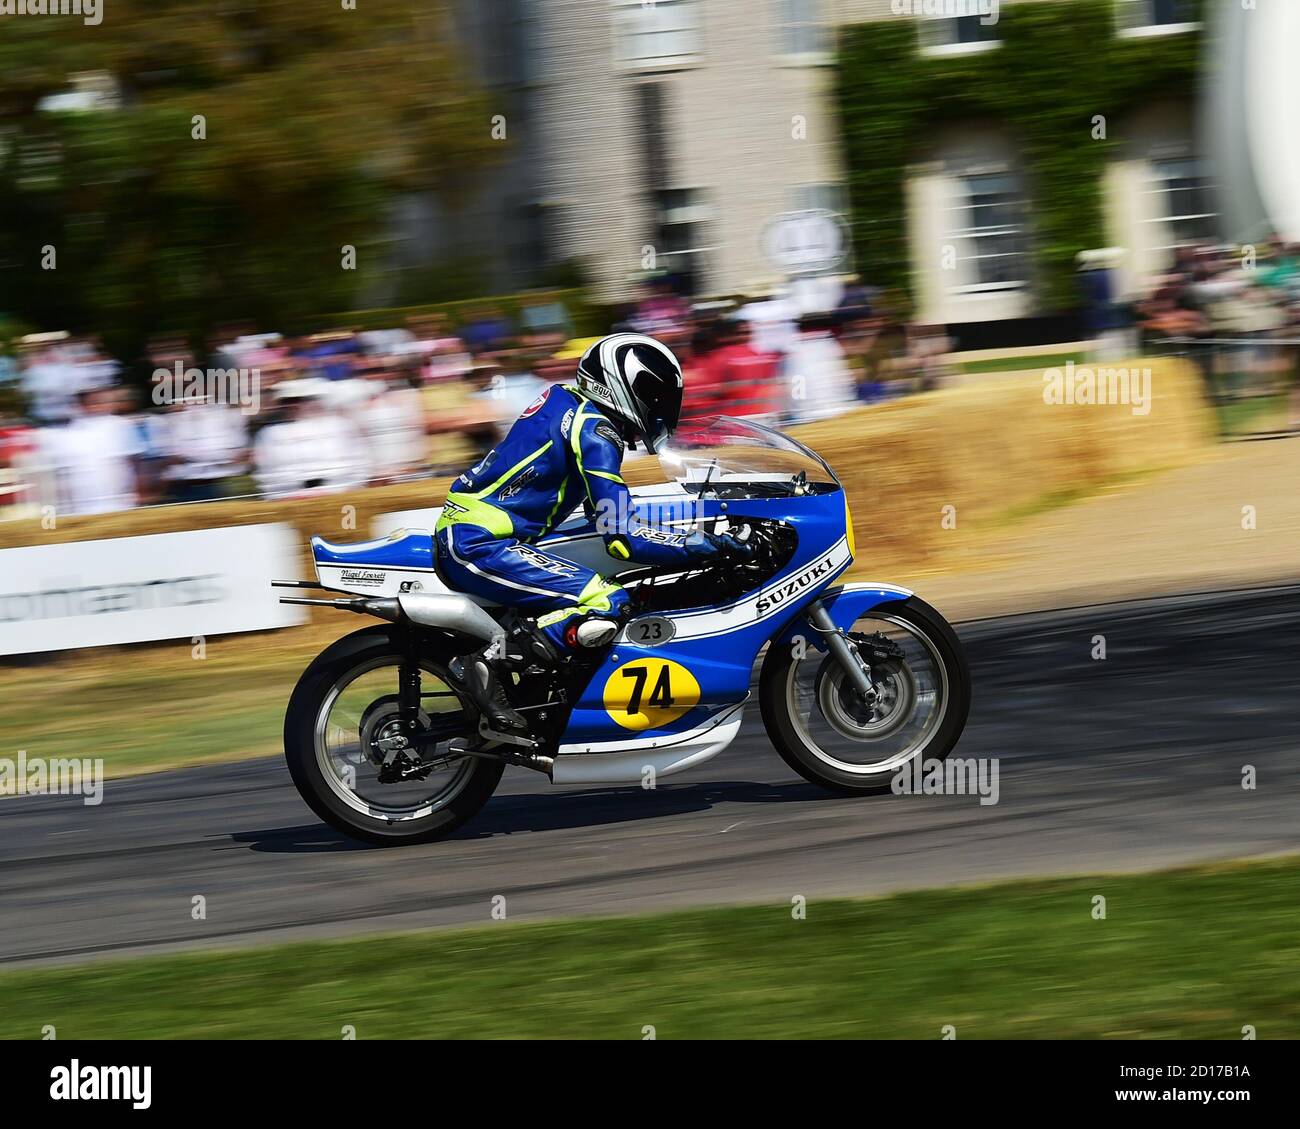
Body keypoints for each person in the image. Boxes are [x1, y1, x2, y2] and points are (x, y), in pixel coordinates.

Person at [435, 332, 752, 733]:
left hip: (478, 534)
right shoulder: (597, 433)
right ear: (621, 383)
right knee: (606, 601)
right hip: (480, 543)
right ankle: (486, 664)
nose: (660, 407)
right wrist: (708, 545)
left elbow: (602, 508)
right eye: (653, 395)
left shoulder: (565, 400)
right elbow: (621, 538)